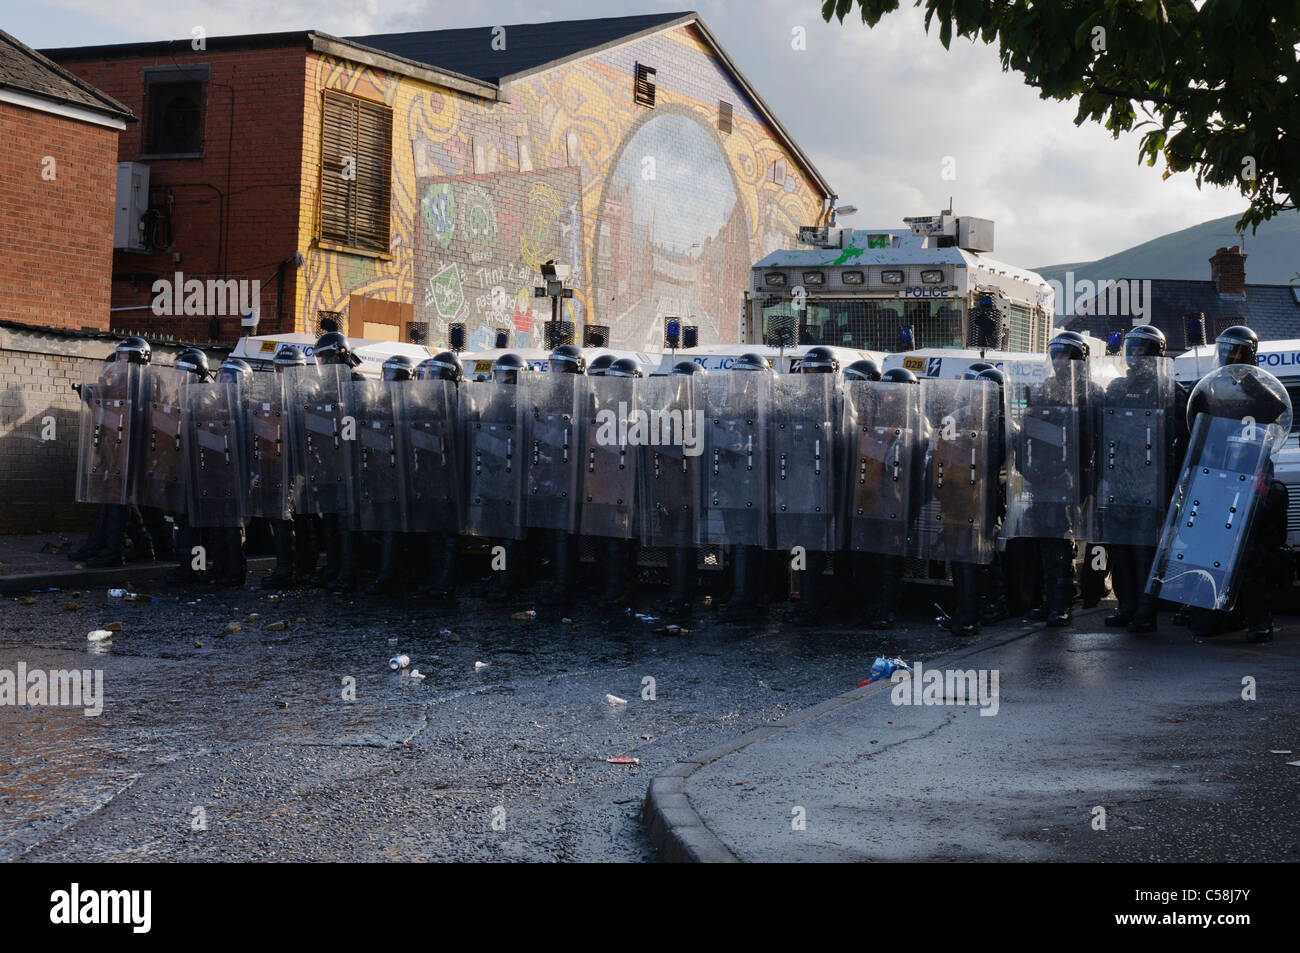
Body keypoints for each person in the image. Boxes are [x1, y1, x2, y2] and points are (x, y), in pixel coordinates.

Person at [1097, 326, 1175, 633]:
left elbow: (1176, 440)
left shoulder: (1166, 389)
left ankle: (1146, 610)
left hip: (1149, 481)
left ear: (1155, 352)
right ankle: (1126, 605)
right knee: (1120, 549)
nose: (1134, 354)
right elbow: (1102, 432)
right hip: (1119, 479)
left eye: (1142, 348)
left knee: (1144, 550)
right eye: (1132, 347)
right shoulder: (1115, 388)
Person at [782, 346, 839, 626]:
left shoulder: (840, 403)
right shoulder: (798, 404)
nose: (813, 378)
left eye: (819, 373)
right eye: (809, 372)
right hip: (800, 489)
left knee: (825, 551)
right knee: (802, 550)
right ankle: (804, 600)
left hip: (829, 488)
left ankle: (819, 603)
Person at [413, 351, 465, 601]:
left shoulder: (459, 402)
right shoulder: (430, 404)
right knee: (434, 532)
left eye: (436, 373)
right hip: (430, 475)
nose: (431, 379)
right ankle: (435, 578)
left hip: (449, 476)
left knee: (448, 534)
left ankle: (446, 581)